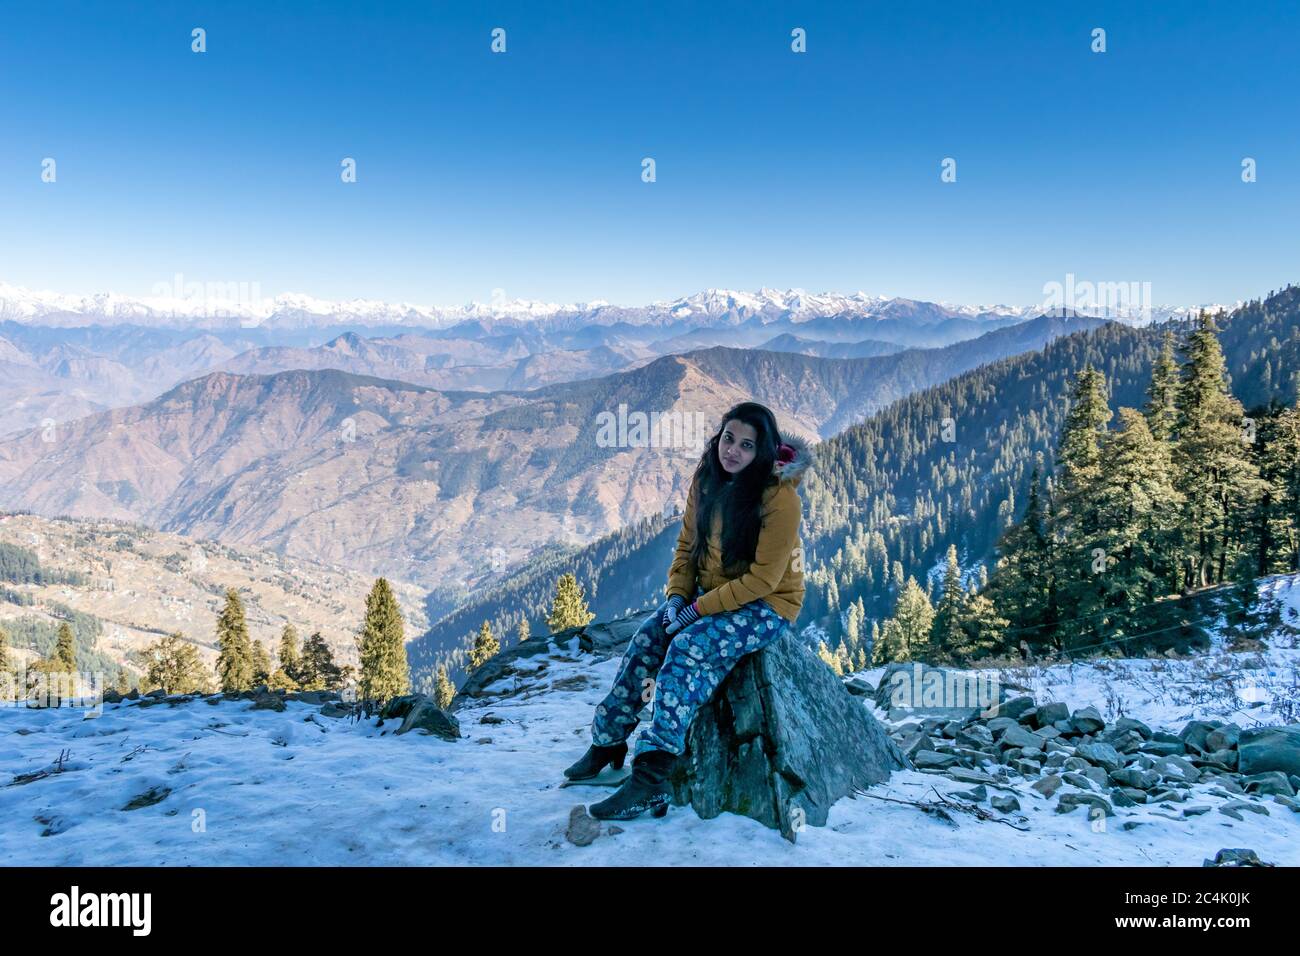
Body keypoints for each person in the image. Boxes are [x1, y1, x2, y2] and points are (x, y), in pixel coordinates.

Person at [563, 401, 813, 820]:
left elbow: (762, 581)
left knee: (687, 649)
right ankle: (608, 742)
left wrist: (696, 611)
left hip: (767, 606)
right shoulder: (707, 478)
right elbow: (686, 548)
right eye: (728, 438)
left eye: (746, 445)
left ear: (764, 451)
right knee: (649, 635)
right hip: (710, 594)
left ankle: (652, 779)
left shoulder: (780, 499)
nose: (732, 451)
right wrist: (678, 596)